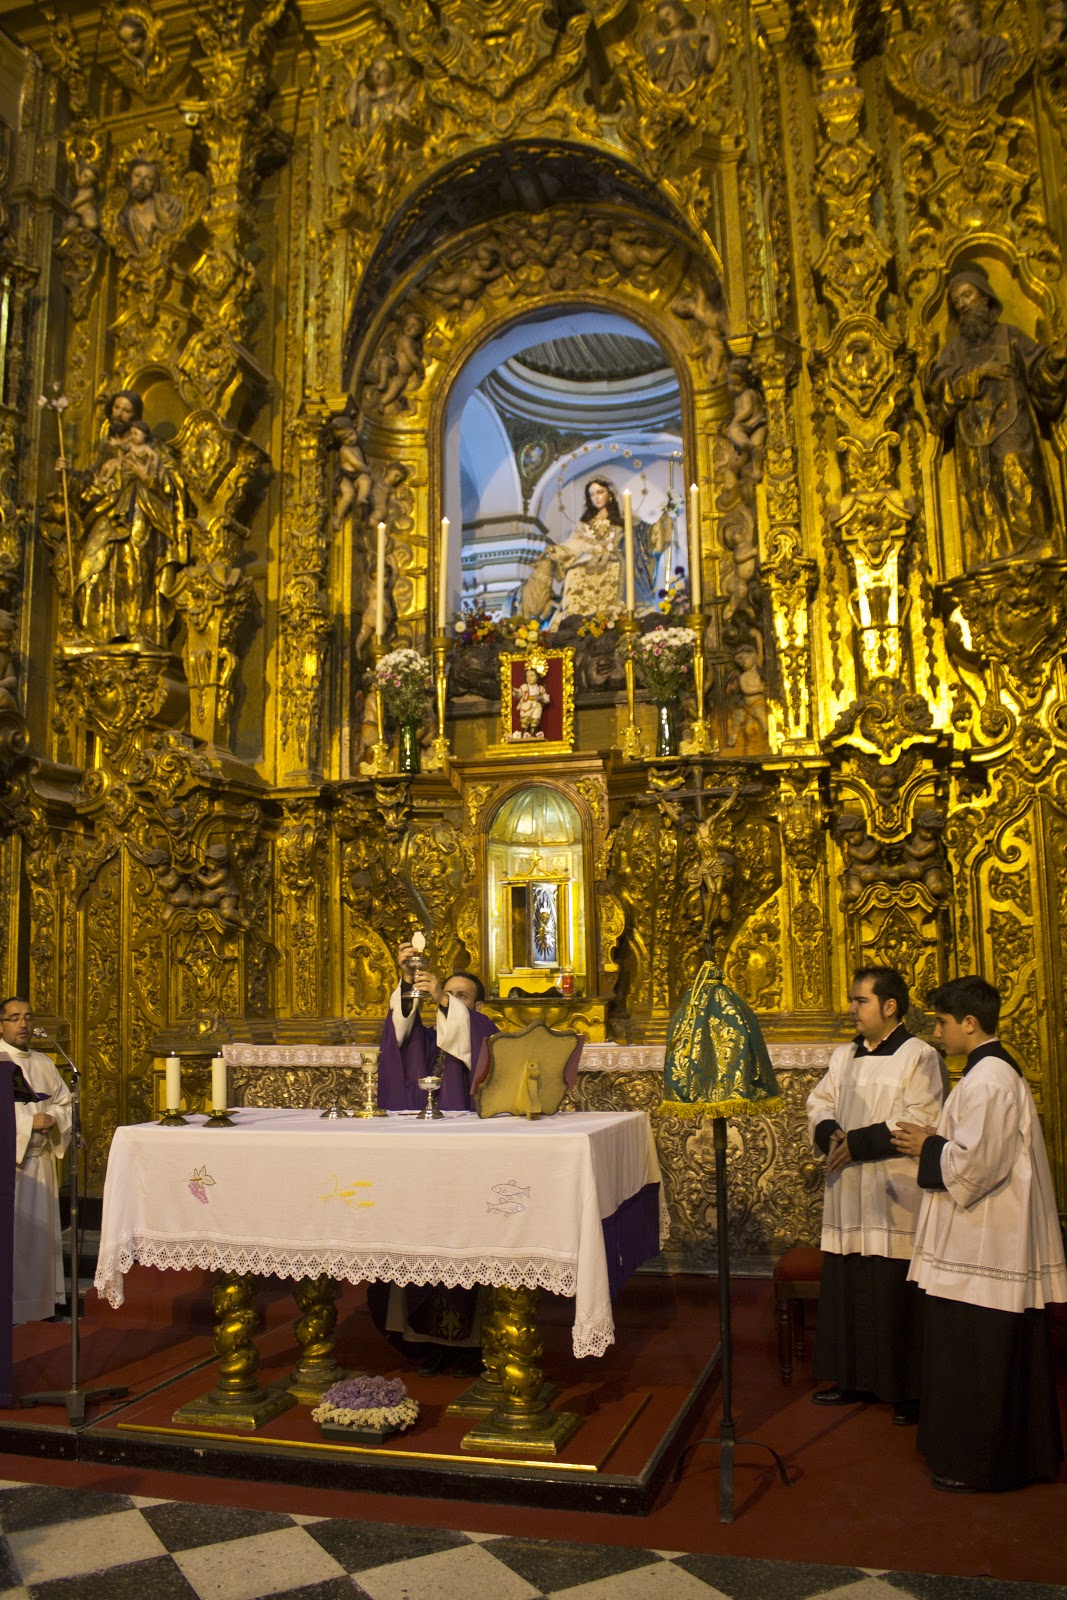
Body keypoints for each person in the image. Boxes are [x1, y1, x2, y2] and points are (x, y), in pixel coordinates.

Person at [894, 976, 1067, 1492]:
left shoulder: (989, 1078)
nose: (939, 1035)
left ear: (970, 1023)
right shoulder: (985, 1073)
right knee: (975, 1349)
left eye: (943, 1024)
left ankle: (982, 1462)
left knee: (979, 1353)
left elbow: (977, 1166)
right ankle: (989, 1455)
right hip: (981, 1235)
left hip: (987, 1237)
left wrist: (927, 1144)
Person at [806, 966, 943, 1424]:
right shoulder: (844, 1056)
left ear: (889, 1006)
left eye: (860, 1001)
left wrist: (857, 1144)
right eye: (851, 1000)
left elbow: (919, 1119)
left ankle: (906, 1391)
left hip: (893, 1189)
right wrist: (830, 1132)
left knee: (892, 1287)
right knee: (851, 1280)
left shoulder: (919, 1055)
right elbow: (819, 1102)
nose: (851, 1009)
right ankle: (853, 1378)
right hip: (848, 1189)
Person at [372, 947, 498, 1372]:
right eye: (447, 993)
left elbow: (476, 1041)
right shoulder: (427, 1039)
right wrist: (409, 983)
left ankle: (473, 1343)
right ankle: (419, 1338)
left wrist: (446, 1002)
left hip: (469, 1156)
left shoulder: (484, 1029)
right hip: (421, 1156)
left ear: (477, 1006)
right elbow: (398, 1034)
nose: (451, 999)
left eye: (462, 996)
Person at [924, 265, 1067, 570]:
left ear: (985, 297)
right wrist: (978, 374)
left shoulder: (1010, 336)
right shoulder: (954, 350)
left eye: (967, 295)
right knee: (984, 494)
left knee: (1023, 483)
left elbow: (1038, 370)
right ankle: (993, 552)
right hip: (974, 439)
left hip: (1016, 430)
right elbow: (939, 391)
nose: (962, 304)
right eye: (957, 300)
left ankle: (1037, 543)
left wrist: (1053, 360)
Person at [0, 999, 72, 1325]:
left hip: (40, 1163)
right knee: (13, 1238)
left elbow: (64, 1104)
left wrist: (52, 1118)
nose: (23, 1024)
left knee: (40, 1239)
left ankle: (42, 1305)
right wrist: (30, 1123)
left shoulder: (44, 1063)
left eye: (27, 1018)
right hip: (10, 1166)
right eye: (14, 1018)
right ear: (1, 1025)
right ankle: (11, 1308)